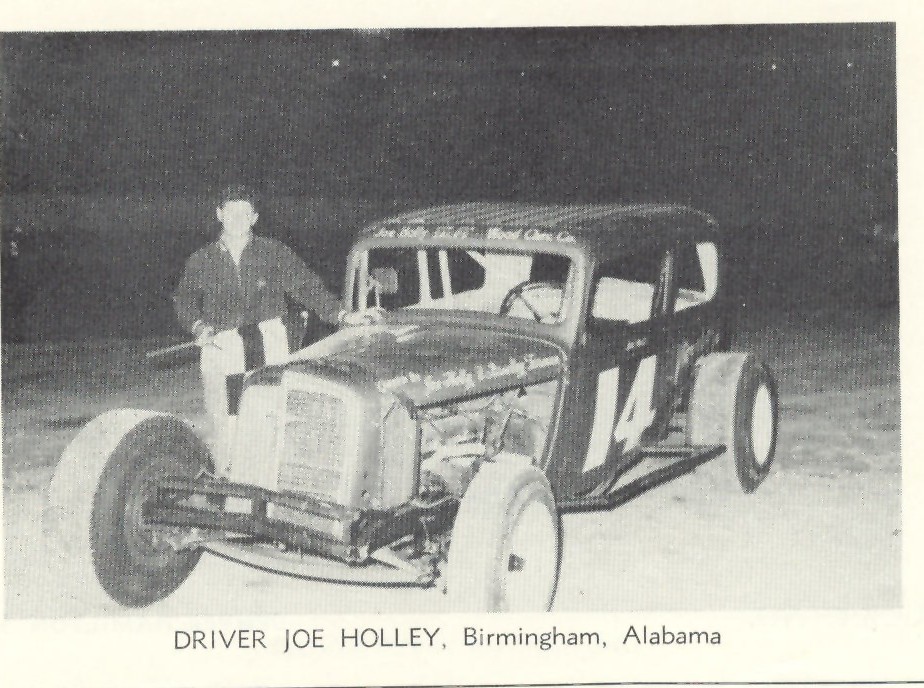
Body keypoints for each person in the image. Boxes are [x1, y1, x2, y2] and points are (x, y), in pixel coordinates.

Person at [172, 184, 372, 444]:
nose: (238, 220)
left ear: (255, 218)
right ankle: (228, 475)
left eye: (245, 214)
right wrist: (198, 326)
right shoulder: (201, 260)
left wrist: (343, 315)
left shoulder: (274, 252)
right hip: (222, 348)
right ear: (219, 214)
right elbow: (184, 300)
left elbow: (307, 287)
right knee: (227, 427)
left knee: (272, 421)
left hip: (269, 346)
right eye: (231, 213)